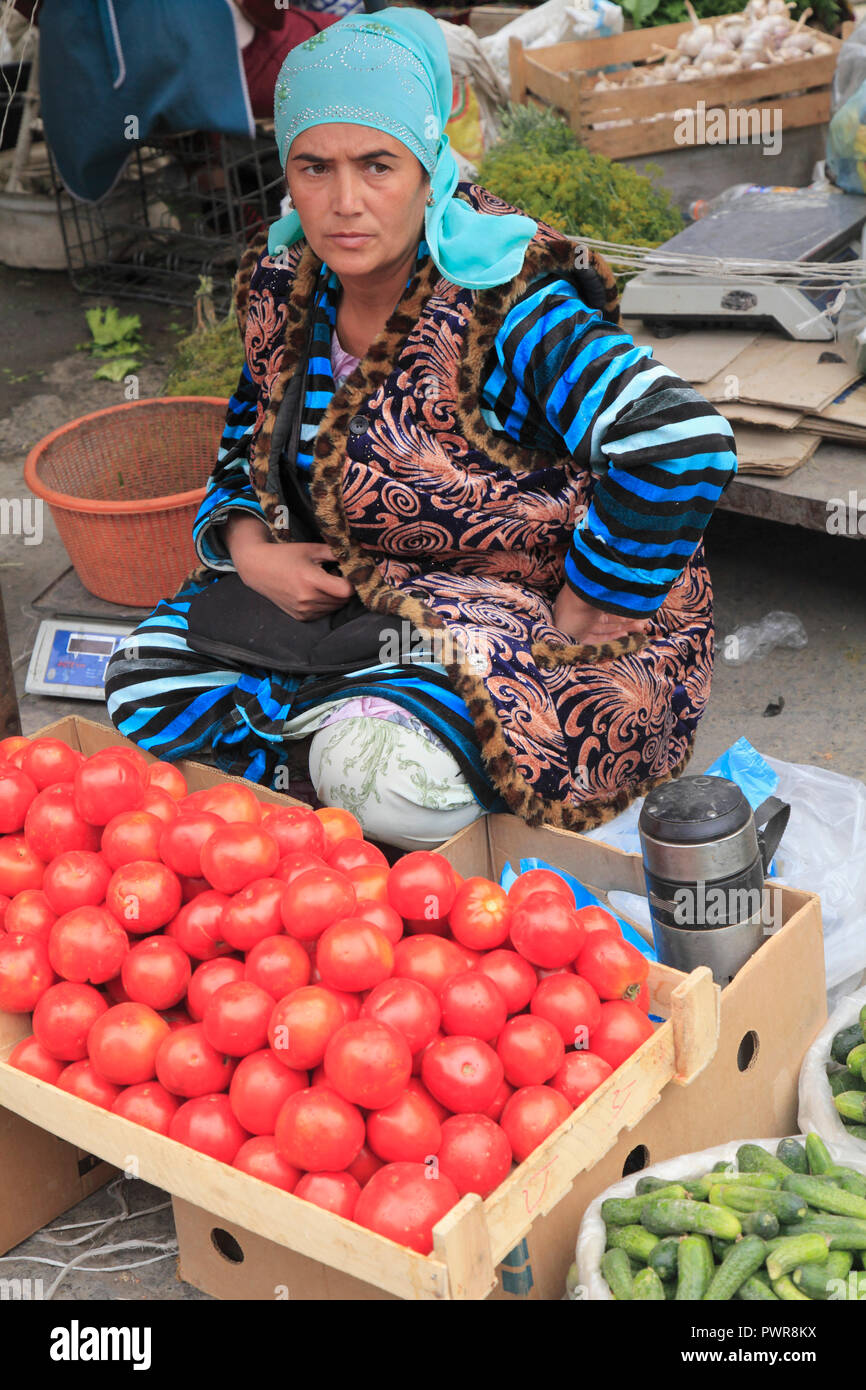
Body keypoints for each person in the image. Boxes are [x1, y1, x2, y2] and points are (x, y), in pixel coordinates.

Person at [105, 8, 737, 851]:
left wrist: (592, 601)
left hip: (527, 612)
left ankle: (371, 777)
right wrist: (254, 552)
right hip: (366, 603)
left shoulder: (507, 306)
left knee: (385, 779)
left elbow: (678, 440)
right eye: (314, 167)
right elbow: (244, 440)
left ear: (429, 164)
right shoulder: (289, 287)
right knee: (139, 681)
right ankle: (349, 758)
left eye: (378, 165)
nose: (345, 203)